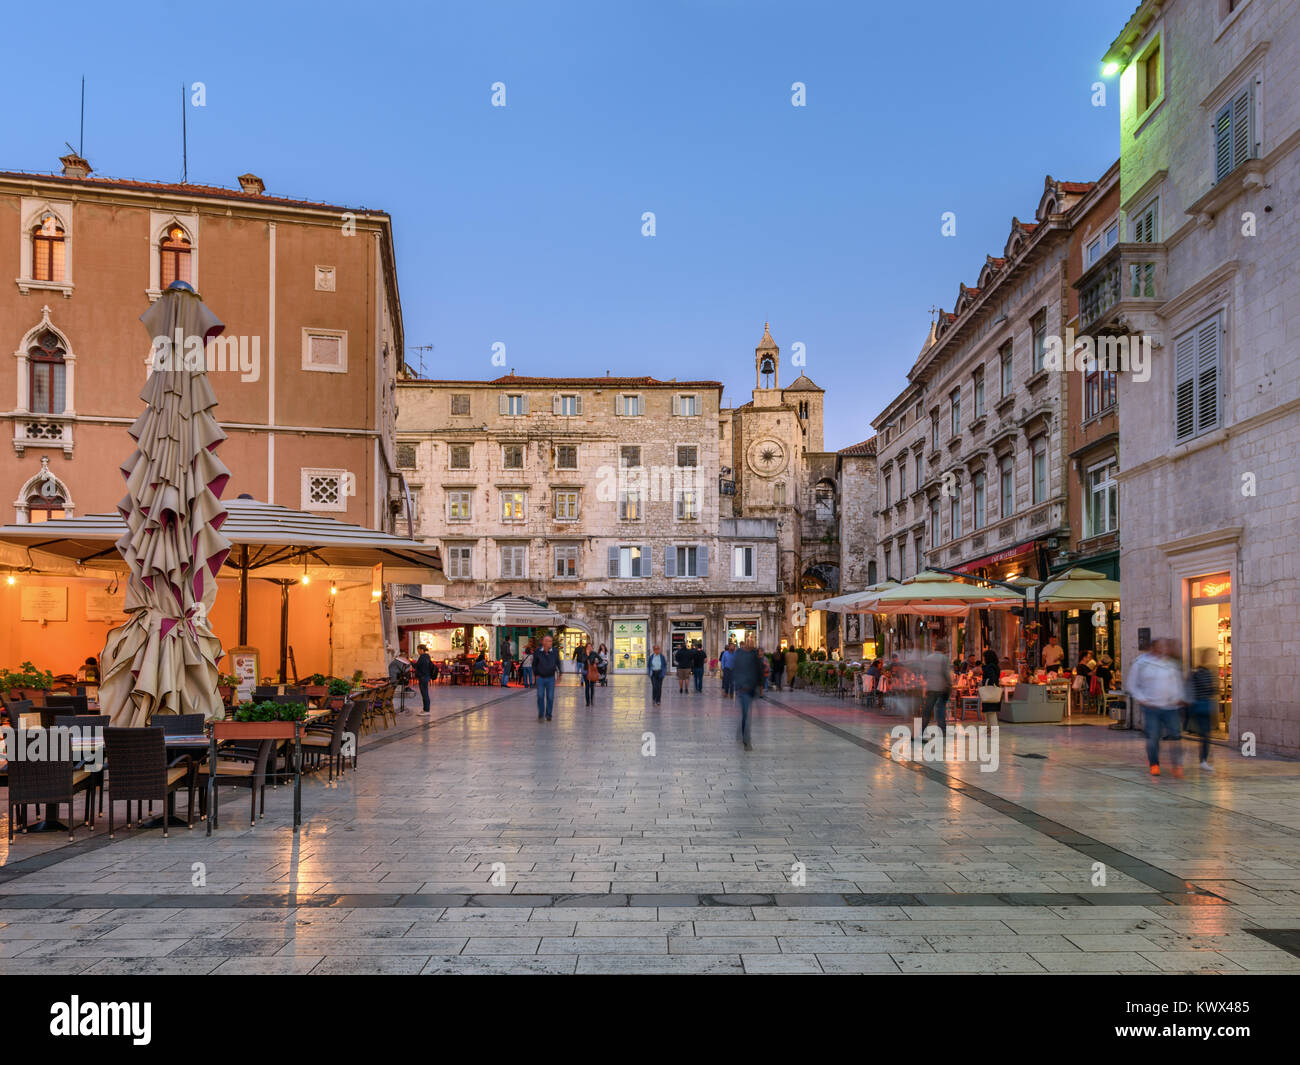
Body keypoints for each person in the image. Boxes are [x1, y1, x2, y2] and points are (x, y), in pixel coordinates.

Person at [1127, 638, 1187, 778]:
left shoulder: (1170, 664)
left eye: (1164, 647)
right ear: (1152, 648)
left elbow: (1176, 683)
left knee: (1176, 736)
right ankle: (1154, 764)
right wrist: (1142, 699)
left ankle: (1177, 765)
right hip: (1152, 707)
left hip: (1170, 707)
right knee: (1153, 737)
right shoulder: (1141, 663)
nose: (1163, 649)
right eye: (1160, 647)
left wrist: (1178, 697)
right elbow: (1132, 684)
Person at [1188, 649, 1217, 771]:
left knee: (1205, 734)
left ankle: (1204, 759)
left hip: (1203, 706)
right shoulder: (1202, 673)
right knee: (1205, 735)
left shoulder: (1200, 673)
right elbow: (1208, 689)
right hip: (1201, 706)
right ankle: (1203, 759)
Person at [732, 636, 760, 751]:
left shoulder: (754, 655)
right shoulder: (740, 655)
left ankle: (742, 732)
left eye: (752, 641)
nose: (751, 644)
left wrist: (757, 686)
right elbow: (737, 670)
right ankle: (746, 740)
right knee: (746, 714)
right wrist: (740, 685)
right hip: (743, 689)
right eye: (749, 642)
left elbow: (757, 671)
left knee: (746, 714)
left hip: (750, 689)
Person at [920, 640, 952, 736]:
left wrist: (929, 681)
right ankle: (942, 730)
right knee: (941, 708)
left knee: (927, 709)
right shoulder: (944, 658)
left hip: (930, 687)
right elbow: (946, 673)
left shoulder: (927, 658)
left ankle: (922, 729)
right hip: (941, 687)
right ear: (943, 648)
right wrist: (950, 684)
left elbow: (923, 673)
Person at [533, 635, 560, 720]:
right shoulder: (538, 651)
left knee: (550, 697)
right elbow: (534, 664)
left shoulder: (555, 651)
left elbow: (558, 662)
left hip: (551, 678)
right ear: (543, 642)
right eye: (548, 641)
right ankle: (541, 713)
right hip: (540, 677)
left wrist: (560, 674)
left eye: (551, 641)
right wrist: (535, 674)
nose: (550, 643)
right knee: (540, 696)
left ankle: (548, 715)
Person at [979, 648, 1002, 727]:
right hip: (991, 691)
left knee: (991, 712)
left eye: (984, 657)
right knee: (989, 712)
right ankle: (989, 729)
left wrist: (983, 682)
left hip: (989, 691)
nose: (983, 659)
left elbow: (992, 679)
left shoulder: (990, 667)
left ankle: (993, 730)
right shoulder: (994, 666)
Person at [414, 644, 433, 714]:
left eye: (418, 650)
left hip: (423, 677)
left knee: (424, 693)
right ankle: (425, 709)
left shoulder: (422, 657)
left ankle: (426, 710)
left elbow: (417, 666)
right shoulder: (427, 657)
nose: (418, 652)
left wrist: (410, 662)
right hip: (426, 676)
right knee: (425, 693)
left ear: (421, 650)